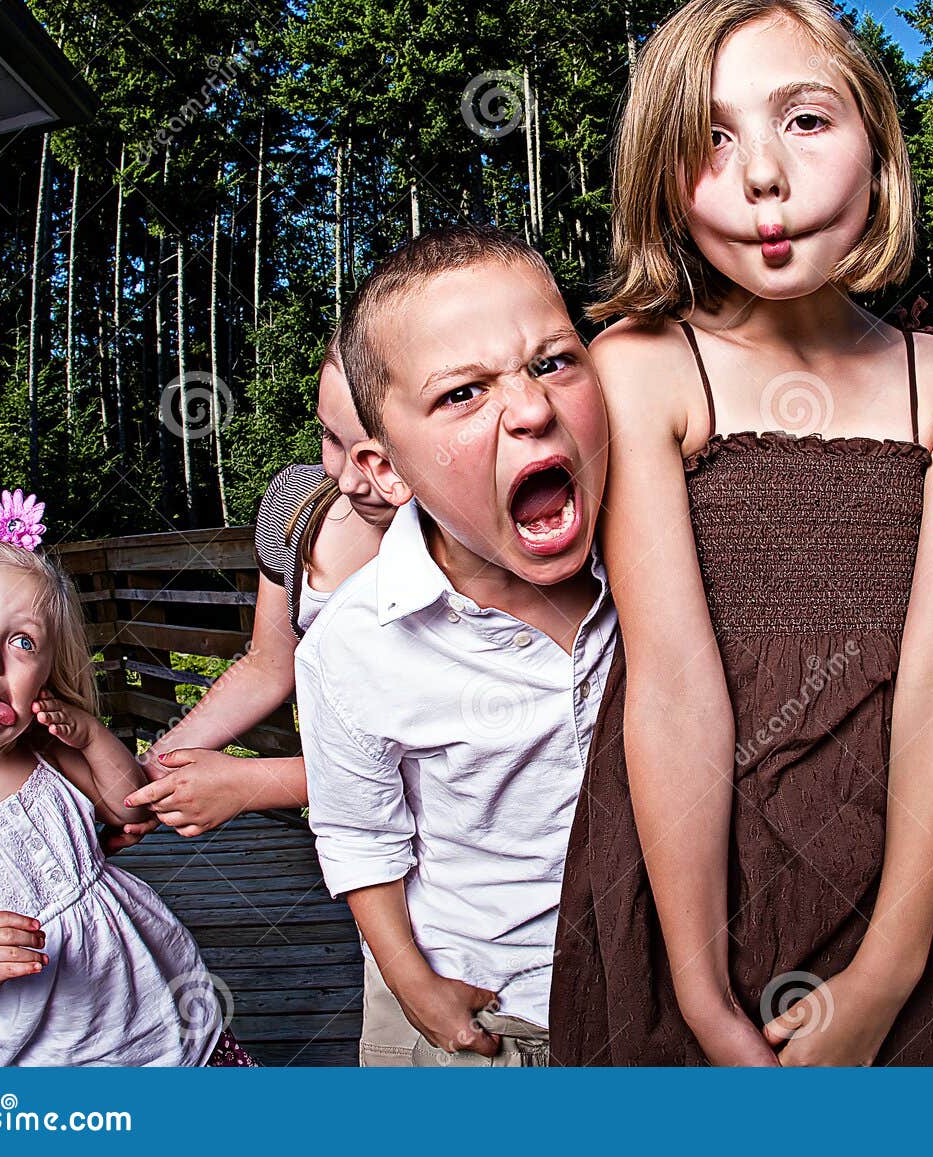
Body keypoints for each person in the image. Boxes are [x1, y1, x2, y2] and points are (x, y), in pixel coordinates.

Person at [550, 0, 933, 1066]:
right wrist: (700, 992)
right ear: (661, 176)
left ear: (878, 150)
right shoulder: (642, 365)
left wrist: (888, 969)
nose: (761, 175)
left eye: (804, 121)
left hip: (891, 863)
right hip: (685, 871)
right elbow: (669, 681)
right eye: (710, 137)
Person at [297, 225, 616, 1066]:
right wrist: (413, 987)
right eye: (463, 394)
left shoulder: (660, 570)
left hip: (652, 1009)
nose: (532, 408)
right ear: (388, 469)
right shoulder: (354, 647)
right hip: (496, 1022)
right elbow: (359, 836)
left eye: (552, 361)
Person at [0, 497, 254, 1065]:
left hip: (164, 1006)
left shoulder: (47, 746)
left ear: (47, 672)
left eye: (22, 641)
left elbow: (129, 809)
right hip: (64, 1052)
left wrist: (91, 735)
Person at [123, 335, 391, 841]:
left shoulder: (463, 544)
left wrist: (256, 784)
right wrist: (148, 774)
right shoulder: (294, 505)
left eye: (379, 451)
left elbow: (435, 752)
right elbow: (270, 664)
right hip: (352, 837)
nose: (353, 481)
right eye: (333, 440)